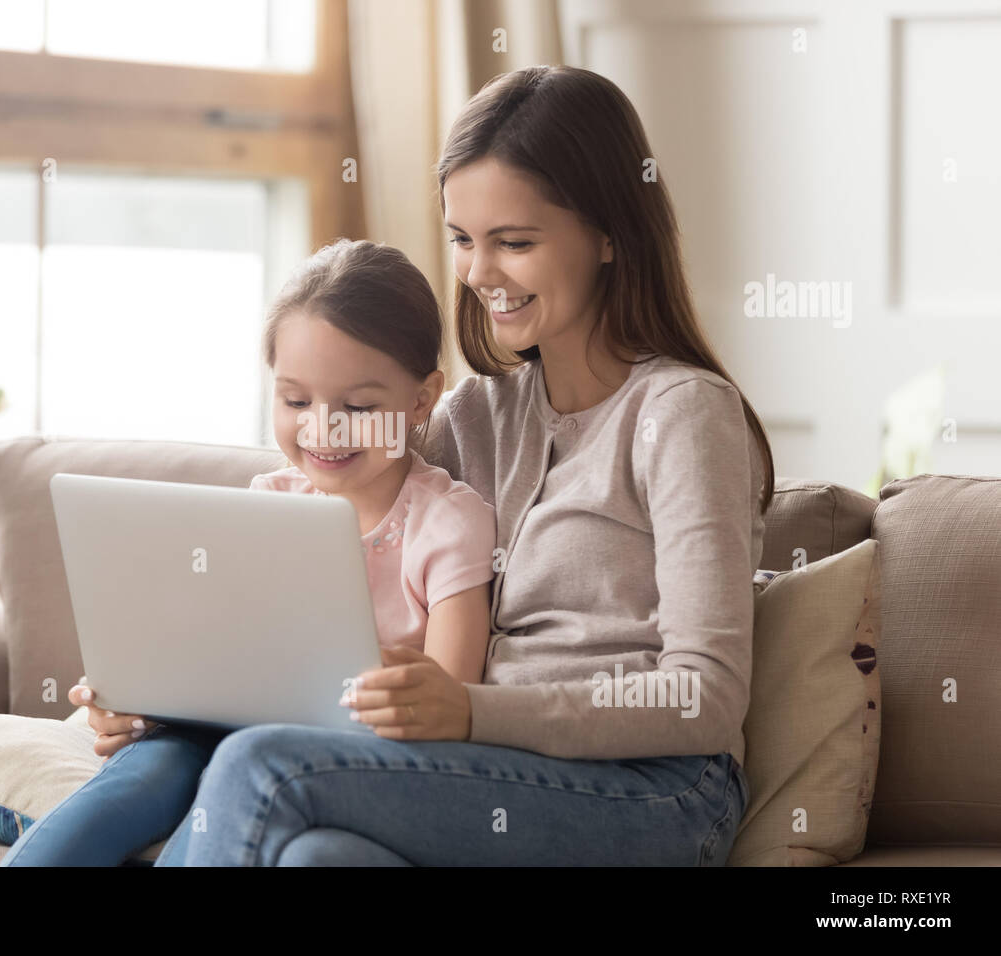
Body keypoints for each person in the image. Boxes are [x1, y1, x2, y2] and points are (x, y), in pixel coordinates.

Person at [97, 65, 776, 866]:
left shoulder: (682, 414)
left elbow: (704, 694)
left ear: (608, 235)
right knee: (317, 858)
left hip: (655, 792)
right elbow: (337, 532)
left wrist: (474, 712)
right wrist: (162, 700)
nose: (480, 274)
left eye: (514, 242)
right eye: (462, 240)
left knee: (260, 768)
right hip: (485, 774)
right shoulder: (473, 416)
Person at [0, 239, 497, 866]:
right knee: (139, 779)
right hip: (213, 730)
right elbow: (207, 647)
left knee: (220, 795)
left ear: (422, 400)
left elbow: (453, 702)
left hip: (327, 762)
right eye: (295, 401)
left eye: (358, 406)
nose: (322, 427)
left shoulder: (447, 523)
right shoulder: (269, 500)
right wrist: (137, 696)